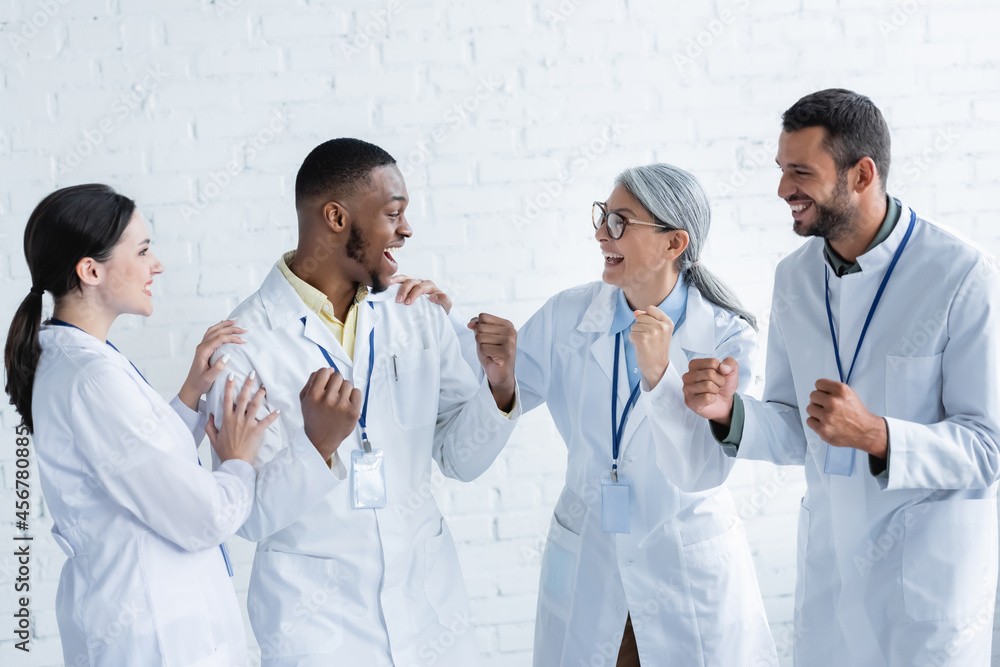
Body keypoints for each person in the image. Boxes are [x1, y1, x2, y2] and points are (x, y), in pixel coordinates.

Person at [398, 163, 777, 666]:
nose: (601, 234)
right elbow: (479, 403)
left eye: (620, 221)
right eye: (602, 217)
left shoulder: (728, 339)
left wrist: (661, 371)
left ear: (674, 243)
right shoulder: (567, 318)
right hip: (589, 561)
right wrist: (441, 323)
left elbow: (703, 470)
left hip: (685, 567)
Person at [675, 89, 1000, 665]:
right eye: (781, 170)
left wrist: (876, 434)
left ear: (861, 174)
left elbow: (987, 447)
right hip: (832, 576)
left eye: (800, 172)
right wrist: (729, 411)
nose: (782, 190)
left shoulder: (960, 273)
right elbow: (795, 426)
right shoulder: (795, 276)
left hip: (927, 585)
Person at [200, 138, 522, 666]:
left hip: (429, 613)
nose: (407, 230)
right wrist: (316, 445)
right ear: (335, 217)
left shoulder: (416, 312)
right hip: (320, 629)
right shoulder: (243, 348)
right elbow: (249, 519)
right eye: (393, 214)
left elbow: (461, 461)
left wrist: (500, 388)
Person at [2, 184, 279, 666]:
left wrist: (190, 395)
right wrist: (237, 463)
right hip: (152, 636)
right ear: (90, 270)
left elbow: (131, 463)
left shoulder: (77, 358)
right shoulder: (91, 377)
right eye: (144, 250)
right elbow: (202, 517)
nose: (157, 265)